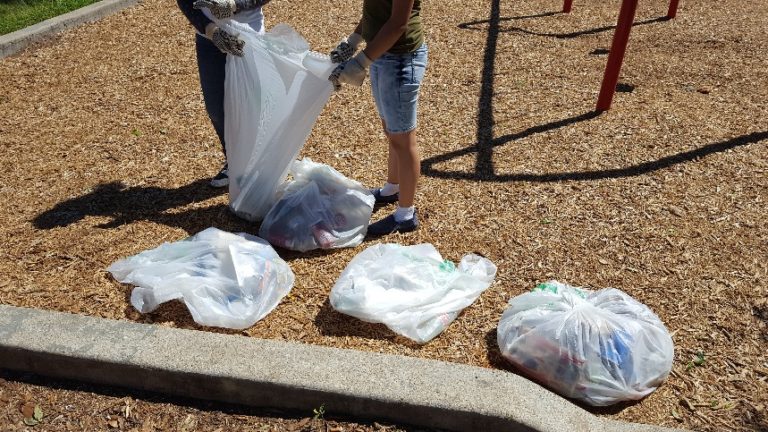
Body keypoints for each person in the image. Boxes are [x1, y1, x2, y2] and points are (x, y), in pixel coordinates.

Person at [329, 0, 427, 236]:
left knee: (403, 141)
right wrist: (354, 39)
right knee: (392, 132)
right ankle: (392, 189)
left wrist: (362, 61)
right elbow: (375, 11)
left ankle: (405, 215)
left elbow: (397, 24)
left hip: (400, 59)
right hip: (381, 55)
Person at [176, 0, 271, 187]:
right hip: (208, 40)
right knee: (216, 109)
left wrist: (236, 4)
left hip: (248, 35)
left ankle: (259, 165)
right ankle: (234, 162)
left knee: (251, 106)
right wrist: (210, 30)